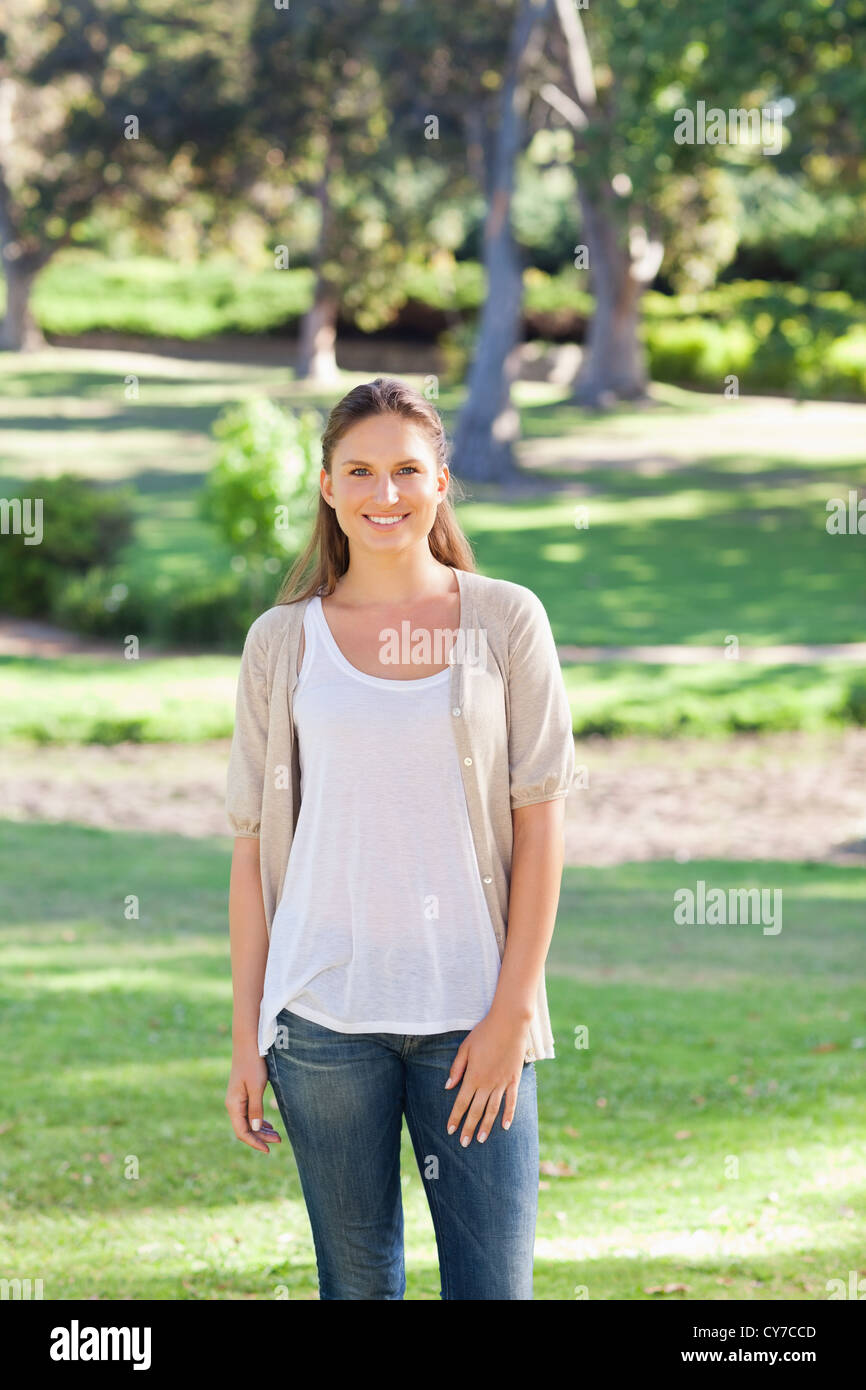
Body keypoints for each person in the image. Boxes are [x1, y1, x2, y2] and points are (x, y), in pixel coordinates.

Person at [224, 376, 575, 1300]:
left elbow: (542, 825)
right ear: (329, 488)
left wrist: (511, 1013)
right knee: (357, 1285)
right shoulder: (281, 642)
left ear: (443, 481)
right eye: (362, 472)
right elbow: (253, 853)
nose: (387, 494)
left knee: (491, 1287)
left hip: (473, 1015)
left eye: (408, 471)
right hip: (322, 1021)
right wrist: (245, 1039)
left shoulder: (506, 621)